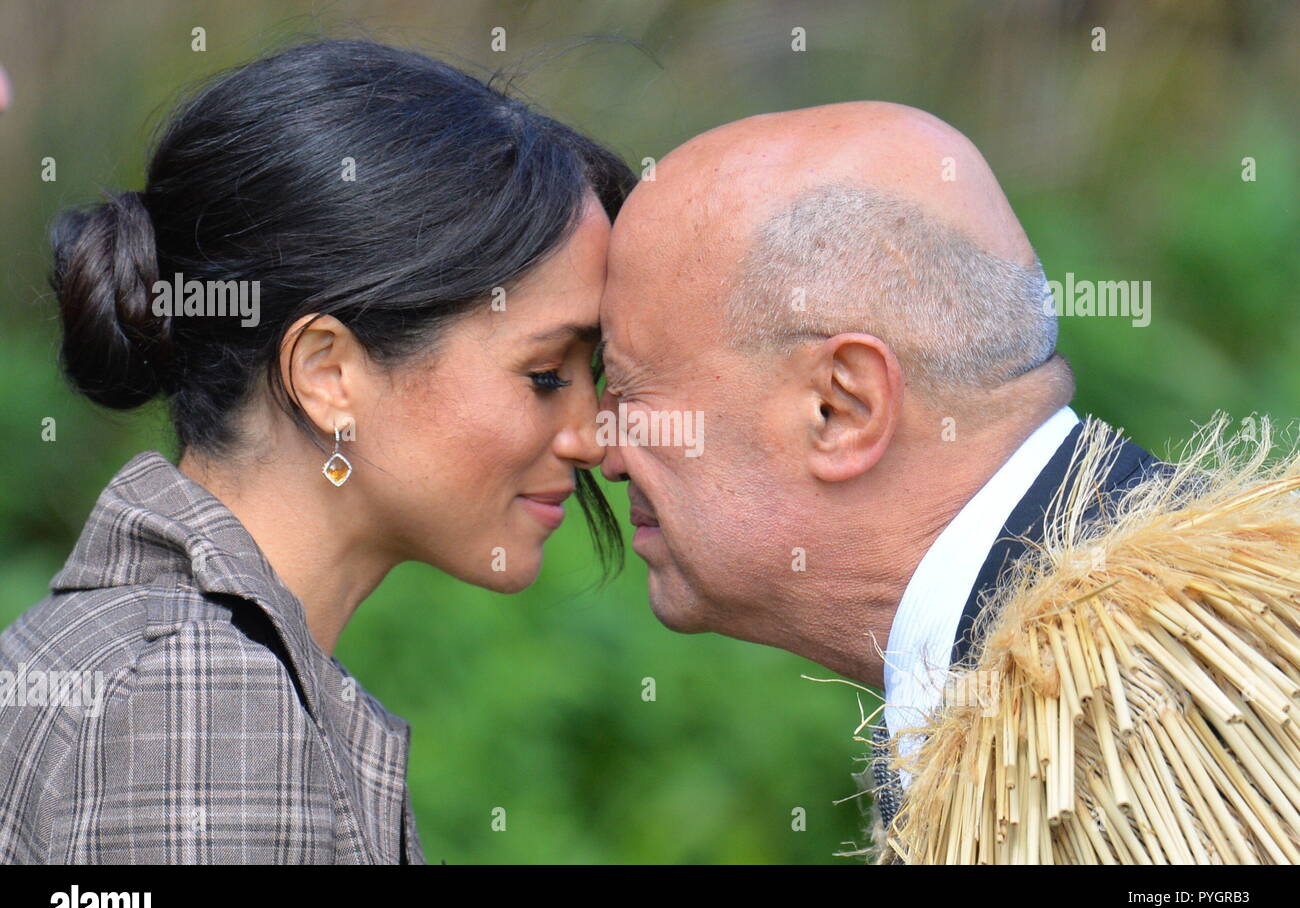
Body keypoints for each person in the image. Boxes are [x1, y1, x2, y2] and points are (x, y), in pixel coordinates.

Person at [597, 100, 1300, 863]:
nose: (599, 447)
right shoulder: (1136, 685)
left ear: (842, 407)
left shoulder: (1143, 741)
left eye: (628, 393)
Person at [0, 39, 632, 864]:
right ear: (326, 373)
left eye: (595, 373)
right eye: (547, 373)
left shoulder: (115, 646)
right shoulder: (204, 708)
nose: (592, 436)